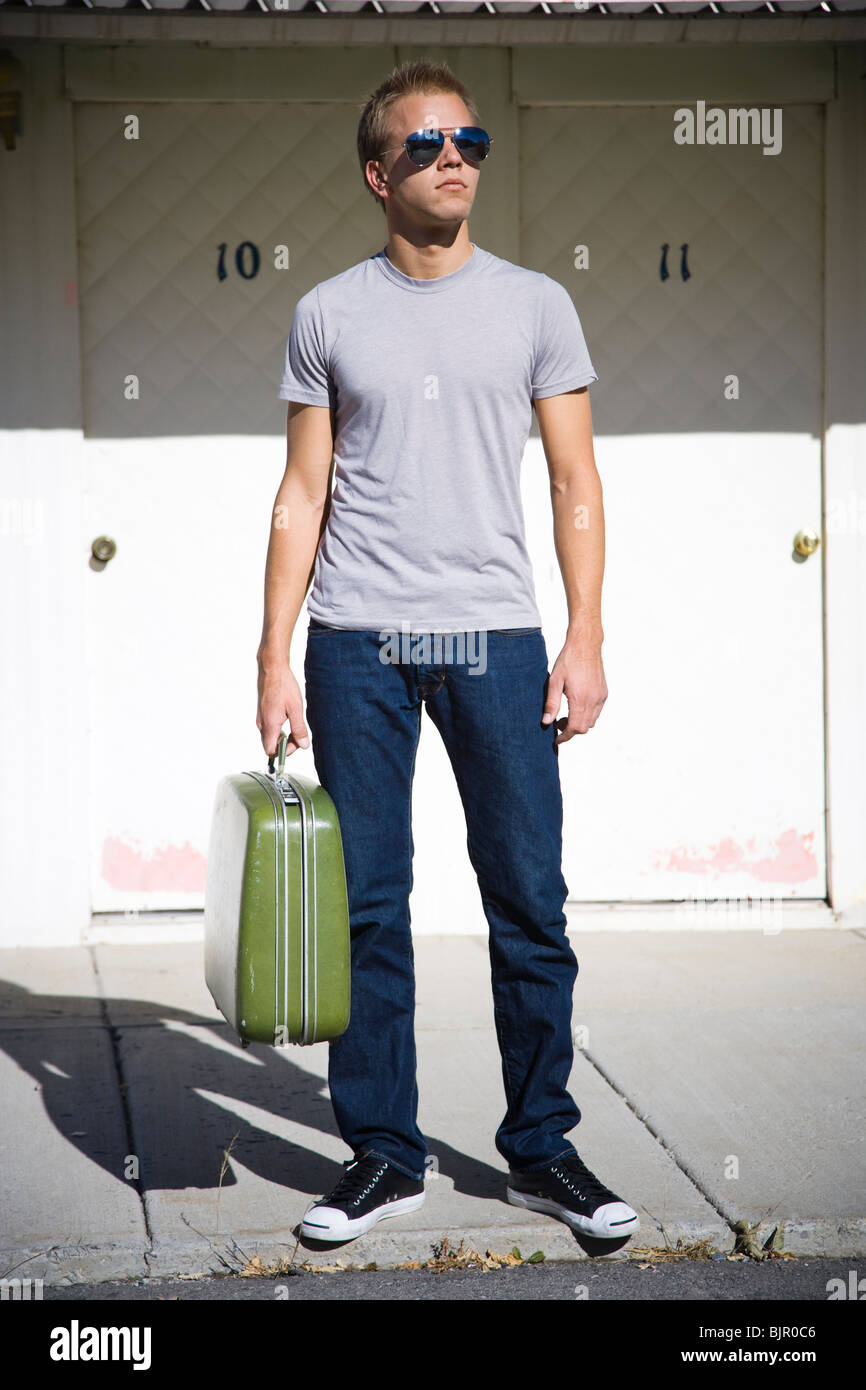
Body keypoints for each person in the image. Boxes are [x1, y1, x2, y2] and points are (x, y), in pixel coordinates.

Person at [256, 59, 639, 1246]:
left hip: (498, 637)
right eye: (425, 143)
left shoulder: (533, 304)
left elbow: (575, 482)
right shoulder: (326, 310)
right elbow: (302, 490)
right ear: (380, 173)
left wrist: (583, 634)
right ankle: (383, 1153)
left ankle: (541, 1148)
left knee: (527, 899)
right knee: (367, 907)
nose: (454, 155)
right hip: (356, 640)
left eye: (467, 136)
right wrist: (273, 656)